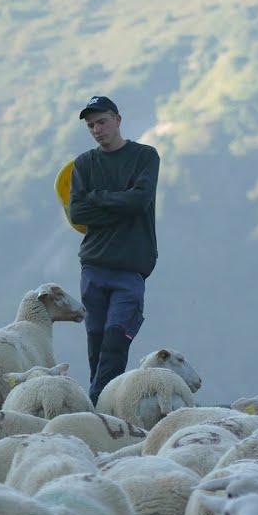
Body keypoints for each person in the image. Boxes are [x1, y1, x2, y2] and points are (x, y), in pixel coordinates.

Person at [67, 95, 161, 405]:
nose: (96, 129)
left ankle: (94, 408)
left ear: (118, 120)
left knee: (115, 340)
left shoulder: (145, 156)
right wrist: (120, 202)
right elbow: (77, 212)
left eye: (102, 121)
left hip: (131, 268)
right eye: (91, 125)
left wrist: (97, 197)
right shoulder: (84, 164)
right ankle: (111, 406)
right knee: (96, 344)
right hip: (94, 266)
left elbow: (140, 201)